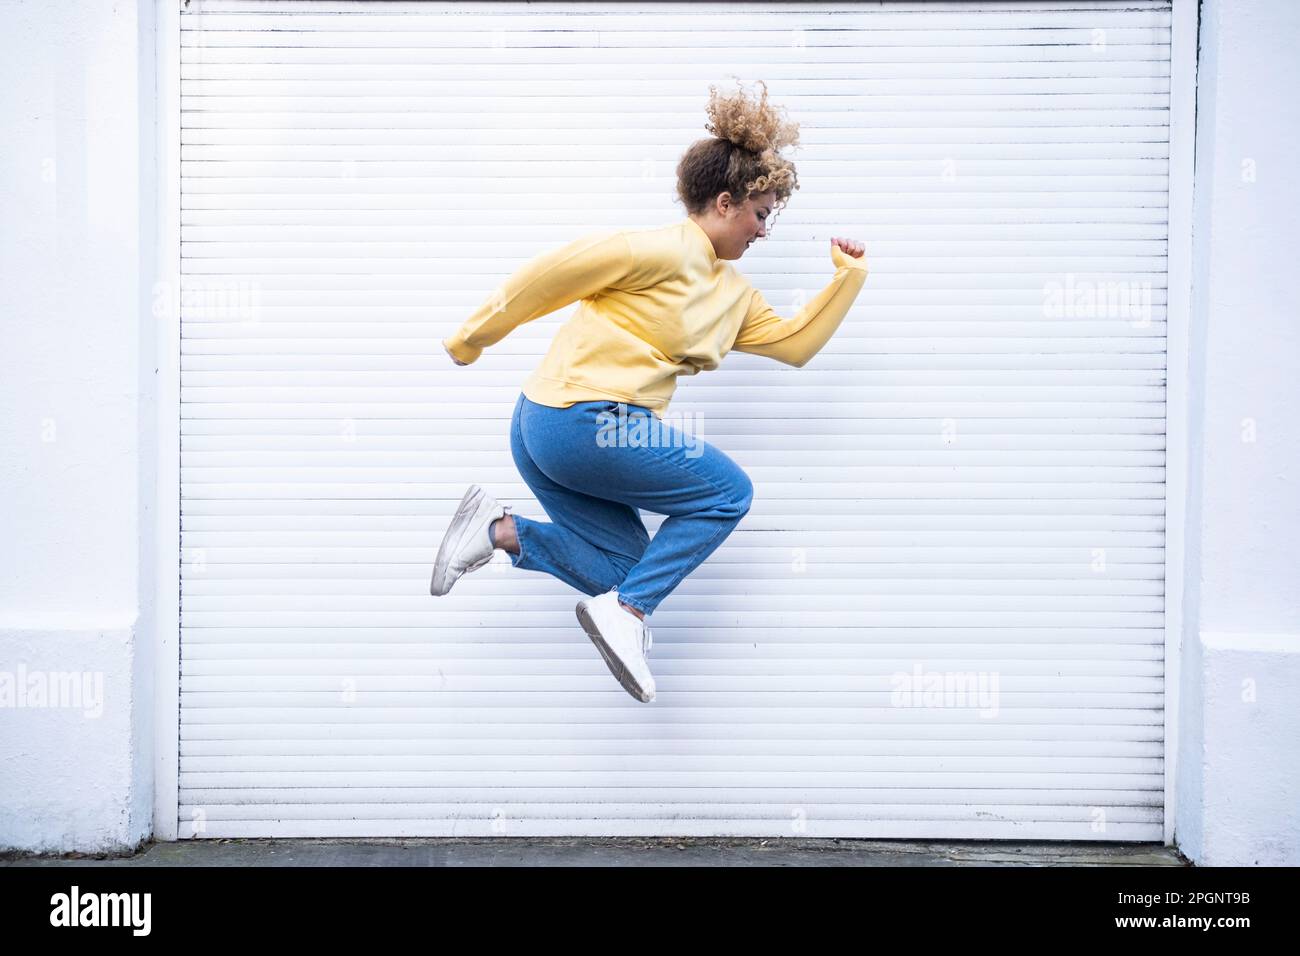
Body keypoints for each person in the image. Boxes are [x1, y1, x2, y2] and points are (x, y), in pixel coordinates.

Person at [429, 80, 868, 703]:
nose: (763, 231)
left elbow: (795, 343)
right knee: (728, 492)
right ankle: (627, 616)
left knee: (631, 571)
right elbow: (551, 276)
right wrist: (472, 337)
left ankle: (499, 531)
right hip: (584, 422)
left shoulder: (733, 296)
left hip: (543, 429)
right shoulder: (660, 249)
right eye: (761, 214)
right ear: (724, 202)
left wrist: (848, 278)